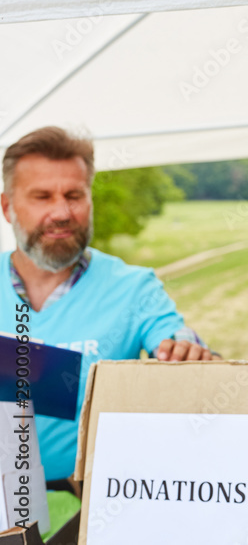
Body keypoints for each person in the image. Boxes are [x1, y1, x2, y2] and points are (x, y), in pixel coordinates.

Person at [0, 126, 217, 483]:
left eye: (74, 195)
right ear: (8, 207)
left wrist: (186, 349)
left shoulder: (133, 288)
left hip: (95, 500)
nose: (61, 212)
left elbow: (178, 339)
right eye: (42, 196)